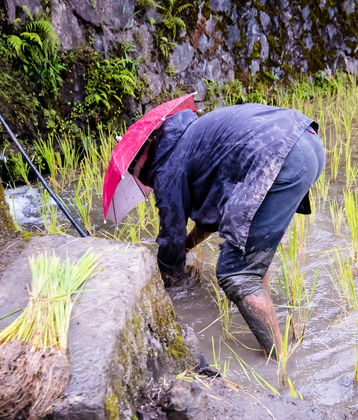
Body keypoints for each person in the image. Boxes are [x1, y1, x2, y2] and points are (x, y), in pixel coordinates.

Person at [132, 103, 325, 358]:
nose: (141, 181)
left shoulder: (167, 168)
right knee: (249, 247)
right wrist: (186, 247)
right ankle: (269, 326)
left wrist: (166, 275)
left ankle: (277, 365)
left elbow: (171, 235)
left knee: (236, 273)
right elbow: (209, 223)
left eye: (134, 174)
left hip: (279, 158)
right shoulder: (190, 139)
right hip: (306, 143)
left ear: (142, 158)